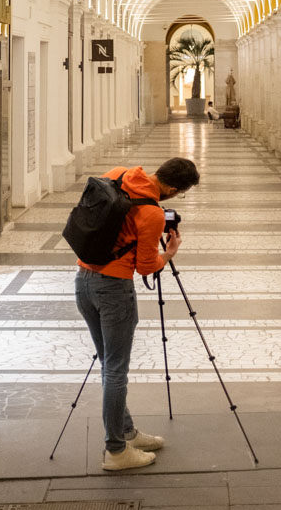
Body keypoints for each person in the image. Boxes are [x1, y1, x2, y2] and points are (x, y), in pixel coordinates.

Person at [74, 155, 200, 471]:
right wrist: (168, 253)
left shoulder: (118, 174)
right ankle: (116, 451)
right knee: (116, 369)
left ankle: (127, 432)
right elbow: (146, 266)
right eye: (179, 192)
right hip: (114, 289)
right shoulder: (152, 213)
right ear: (172, 187)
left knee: (108, 364)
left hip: (83, 280)